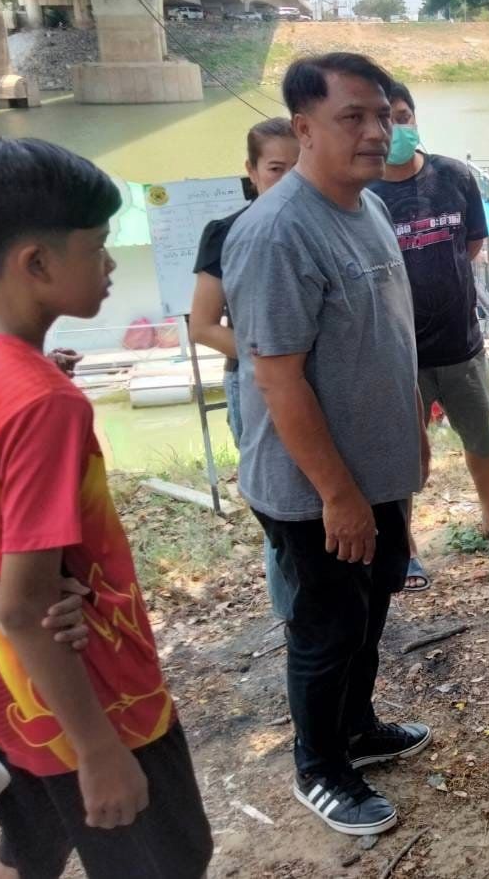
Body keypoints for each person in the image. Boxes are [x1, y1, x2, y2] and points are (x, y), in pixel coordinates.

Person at [0, 137, 213, 877]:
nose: (111, 266)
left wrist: (11, 606)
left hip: (5, 687)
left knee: (58, 852)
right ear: (36, 264)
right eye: (99, 247)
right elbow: (20, 602)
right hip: (94, 693)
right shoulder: (43, 403)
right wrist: (100, 752)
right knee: (172, 857)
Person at [222, 53, 432, 838]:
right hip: (313, 488)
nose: (377, 131)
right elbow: (278, 380)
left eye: (383, 115)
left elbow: (384, 337)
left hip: (376, 472)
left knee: (370, 609)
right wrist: (339, 495)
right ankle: (319, 767)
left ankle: (357, 728)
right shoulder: (276, 232)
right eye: (354, 117)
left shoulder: (365, 206)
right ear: (304, 129)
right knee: (324, 627)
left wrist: (408, 429)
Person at [368, 80, 489, 595]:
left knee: (480, 438)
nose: (397, 127)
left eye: (403, 114)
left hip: (462, 345)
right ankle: (407, 549)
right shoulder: (364, 194)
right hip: (399, 357)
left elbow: (474, 242)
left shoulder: (454, 176)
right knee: (404, 458)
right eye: (385, 118)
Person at [189, 117, 300, 618]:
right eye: (277, 168)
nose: (289, 179)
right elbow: (203, 325)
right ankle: (290, 613)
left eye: (299, 167)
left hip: (314, 378)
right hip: (255, 380)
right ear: (251, 171)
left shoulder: (321, 223)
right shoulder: (228, 232)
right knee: (280, 499)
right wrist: (270, 356)